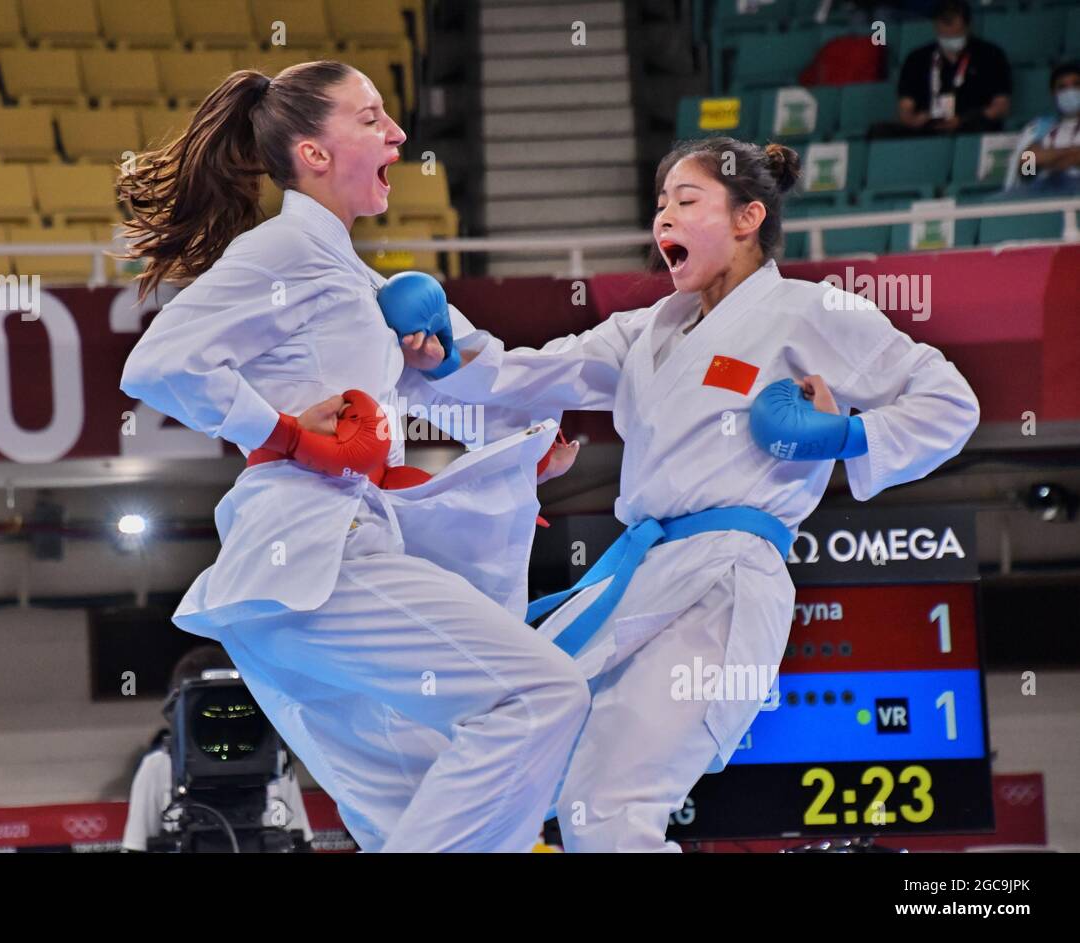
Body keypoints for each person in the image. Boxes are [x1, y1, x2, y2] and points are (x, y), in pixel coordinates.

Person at [399, 137, 980, 851]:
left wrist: (847, 437)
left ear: (748, 219)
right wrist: (443, 349)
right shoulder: (644, 332)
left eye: (687, 199)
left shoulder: (809, 310)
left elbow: (950, 402)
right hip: (641, 576)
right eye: (660, 204)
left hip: (728, 578)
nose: (664, 218)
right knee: (503, 763)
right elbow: (528, 374)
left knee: (610, 804)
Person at [116, 61, 590, 853]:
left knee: (423, 818)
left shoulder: (356, 280)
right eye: (371, 118)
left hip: (301, 579)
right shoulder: (287, 251)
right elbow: (159, 362)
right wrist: (284, 433)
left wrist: (512, 453)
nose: (398, 133)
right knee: (542, 694)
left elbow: (452, 392)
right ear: (314, 153)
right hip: (314, 562)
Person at [122, 644, 314, 852]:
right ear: (177, 711)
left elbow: (301, 842)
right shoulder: (157, 766)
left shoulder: (274, 762)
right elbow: (136, 847)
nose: (223, 730)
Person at [894, 0, 1010, 134]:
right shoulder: (917, 59)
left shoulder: (990, 55)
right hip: (928, 128)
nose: (949, 38)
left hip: (972, 126)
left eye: (955, 33)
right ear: (936, 26)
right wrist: (916, 120)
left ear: (967, 26)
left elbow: (1001, 106)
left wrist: (963, 119)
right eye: (944, 34)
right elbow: (905, 108)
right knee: (881, 131)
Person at [1005, 61, 1080, 196]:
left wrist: (1046, 159)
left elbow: (1036, 158)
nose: (1070, 92)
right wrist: (1072, 152)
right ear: (1053, 94)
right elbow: (1027, 167)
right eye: (1062, 87)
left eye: (1076, 85)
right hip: (1042, 192)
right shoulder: (1040, 127)